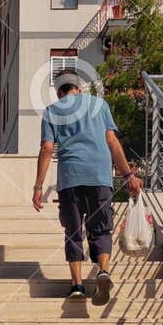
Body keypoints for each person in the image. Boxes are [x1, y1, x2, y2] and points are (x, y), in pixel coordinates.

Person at [32, 71, 143, 303]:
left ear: (59, 91)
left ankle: (77, 286)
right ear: (79, 88)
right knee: (101, 229)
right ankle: (103, 270)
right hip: (99, 176)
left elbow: (47, 149)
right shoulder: (99, 105)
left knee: (73, 232)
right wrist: (129, 174)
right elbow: (112, 141)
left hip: (70, 178)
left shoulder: (52, 111)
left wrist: (38, 186)